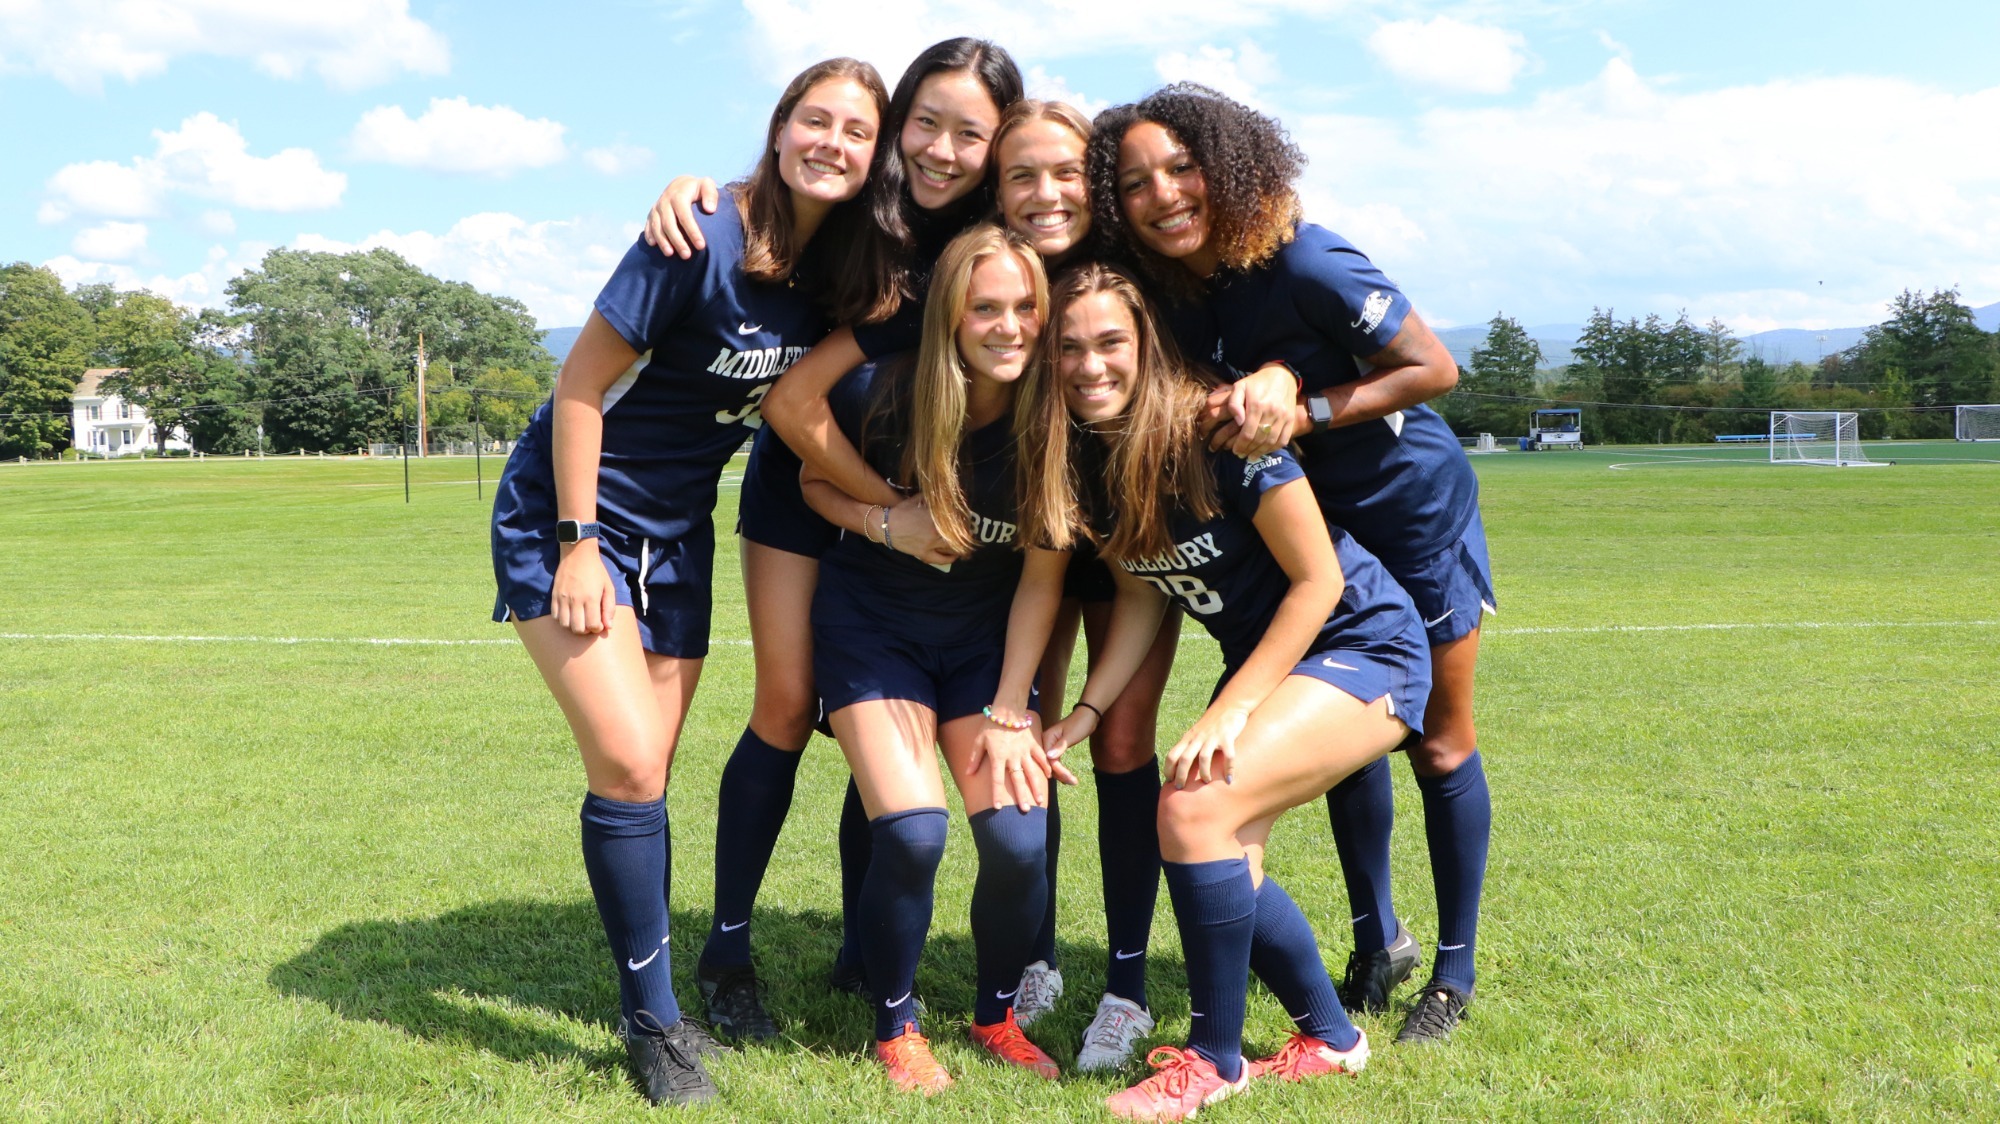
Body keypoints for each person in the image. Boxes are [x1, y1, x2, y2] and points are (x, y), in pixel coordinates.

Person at [486, 58, 886, 1105]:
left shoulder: (840, 267)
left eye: (856, 130)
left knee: (648, 772)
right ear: (779, 124)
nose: (833, 142)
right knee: (623, 759)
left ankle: (660, 996)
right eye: (817, 119)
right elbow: (579, 382)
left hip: (680, 531)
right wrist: (577, 540)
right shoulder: (696, 234)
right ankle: (654, 1026)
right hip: (573, 513)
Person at [636, 38, 1026, 1039]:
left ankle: (867, 944)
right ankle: (727, 946)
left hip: (915, 501)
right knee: (783, 699)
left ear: (996, 147)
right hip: (806, 484)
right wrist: (700, 192)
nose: (939, 149)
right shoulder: (862, 210)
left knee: (882, 721)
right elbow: (769, 206)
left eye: (967, 132)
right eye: (923, 123)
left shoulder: (990, 242)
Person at [1091, 83, 1495, 1043]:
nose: (1165, 195)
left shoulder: (1305, 257)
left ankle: (1453, 973)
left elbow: (1435, 369)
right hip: (1314, 524)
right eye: (1138, 182)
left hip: (1406, 514)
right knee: (1352, 728)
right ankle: (1376, 936)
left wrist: (1302, 399)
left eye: (1182, 168)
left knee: (1435, 740)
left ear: (1229, 165)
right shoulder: (1182, 289)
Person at [1016, 263, 1431, 1120]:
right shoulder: (1090, 458)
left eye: (1110, 343)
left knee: (1191, 809)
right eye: (1068, 347)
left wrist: (1231, 706)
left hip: (1367, 646)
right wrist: (1087, 715)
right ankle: (1331, 1039)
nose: (1090, 364)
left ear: (1146, 347)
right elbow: (1141, 588)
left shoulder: (1218, 432)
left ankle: (1213, 1060)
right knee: (1221, 854)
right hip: (1285, 663)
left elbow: (1317, 583)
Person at [785, 223, 1069, 1093]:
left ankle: (993, 1015)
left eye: (1025, 306)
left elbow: (1040, 581)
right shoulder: (885, 394)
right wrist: (887, 520)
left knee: (1020, 844)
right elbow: (810, 482)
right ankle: (896, 1024)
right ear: (949, 314)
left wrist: (1013, 711)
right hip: (873, 634)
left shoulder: (1052, 418)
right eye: (986, 306)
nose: (1009, 325)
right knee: (912, 834)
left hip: (981, 651)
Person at [990, 97, 1181, 1065]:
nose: (1047, 192)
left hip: (1133, 533)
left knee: (1117, 737)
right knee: (1027, 713)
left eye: (1065, 170)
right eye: (1021, 173)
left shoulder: (1132, 258)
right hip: (1047, 515)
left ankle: (1127, 982)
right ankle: (1037, 956)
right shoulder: (989, 261)